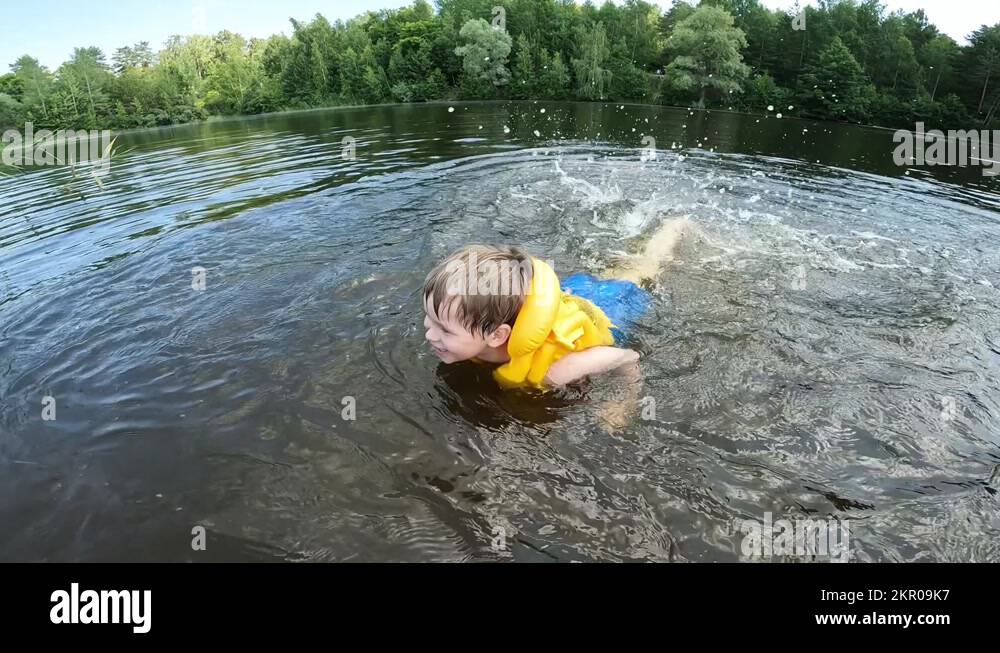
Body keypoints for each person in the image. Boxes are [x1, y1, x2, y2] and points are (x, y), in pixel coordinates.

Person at [422, 217, 692, 390]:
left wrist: (623, 401)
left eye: (444, 330)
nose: (430, 334)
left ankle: (673, 228)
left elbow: (626, 357)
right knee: (617, 269)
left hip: (612, 306)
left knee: (643, 270)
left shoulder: (555, 371)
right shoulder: (475, 325)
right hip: (568, 295)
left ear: (496, 336)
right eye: (429, 318)